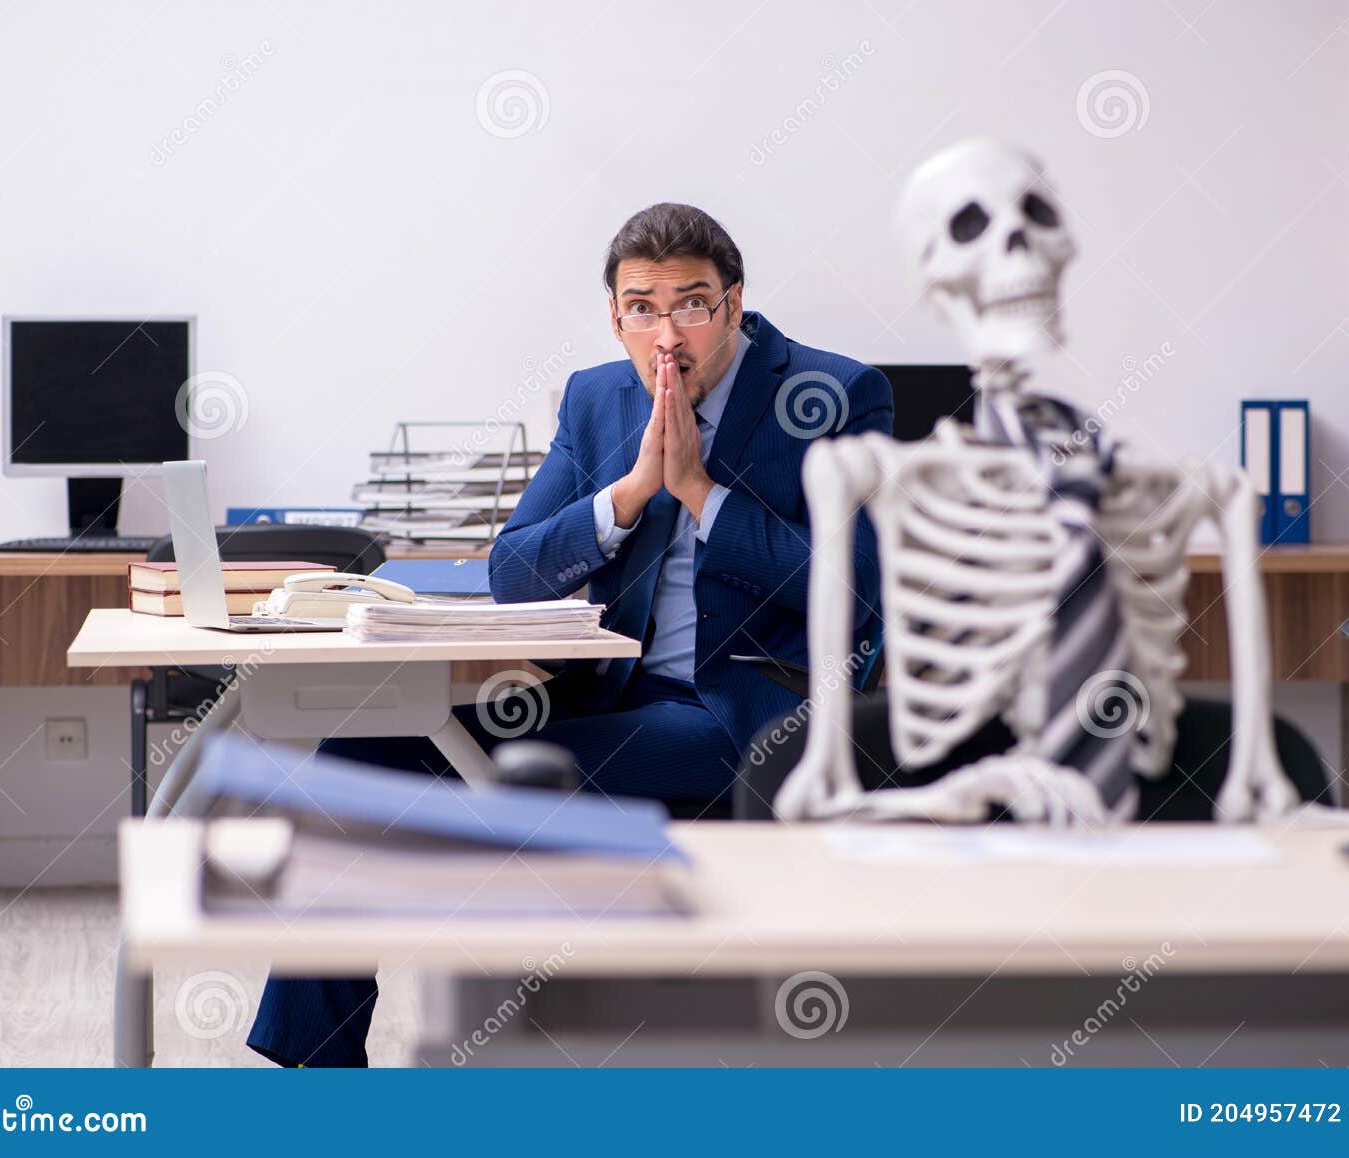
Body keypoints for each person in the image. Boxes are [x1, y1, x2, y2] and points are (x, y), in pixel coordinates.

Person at [246, 201, 892, 1067]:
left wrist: (701, 491)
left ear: (735, 305)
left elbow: (856, 591)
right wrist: (627, 495)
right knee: (350, 764)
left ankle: (551, 1065)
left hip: (745, 715)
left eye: (692, 303)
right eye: (643, 307)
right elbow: (512, 569)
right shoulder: (598, 397)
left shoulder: (836, 393)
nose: (668, 332)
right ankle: (316, 1080)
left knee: (513, 786)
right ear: (615, 315)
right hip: (610, 694)